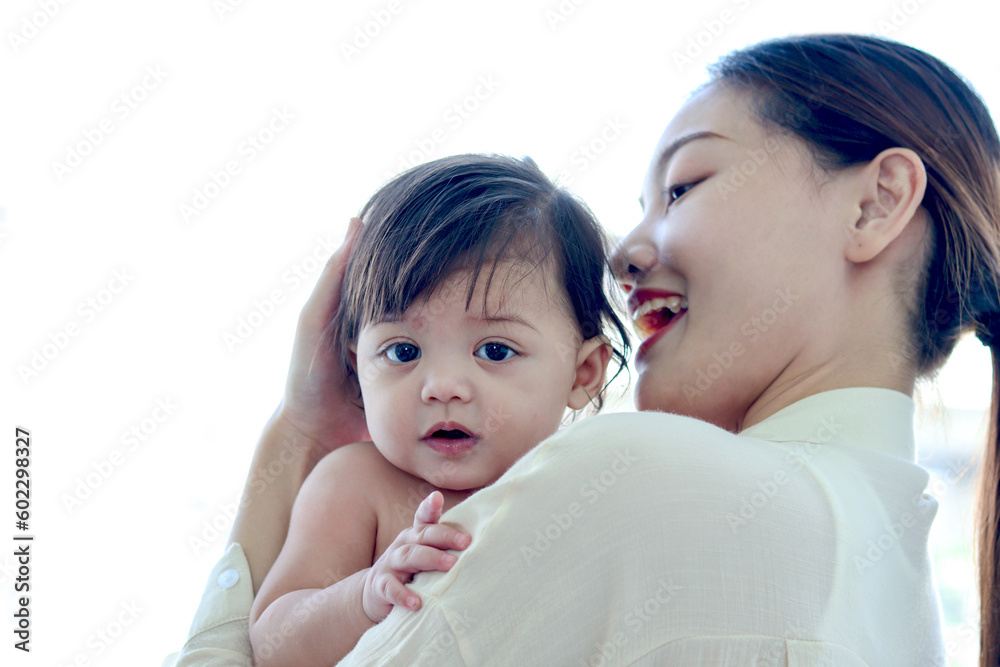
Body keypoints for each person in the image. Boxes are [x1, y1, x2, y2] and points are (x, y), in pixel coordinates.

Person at [166, 33, 1000, 667]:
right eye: (402, 348)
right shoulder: (902, 593)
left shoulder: (638, 476)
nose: (625, 251)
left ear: (876, 203)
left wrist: (299, 431)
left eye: (684, 186)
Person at [245, 154, 627, 665]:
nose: (442, 387)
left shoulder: (594, 482)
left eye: (495, 350)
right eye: (403, 351)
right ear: (355, 364)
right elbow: (275, 642)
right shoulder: (358, 485)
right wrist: (364, 595)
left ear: (582, 374)